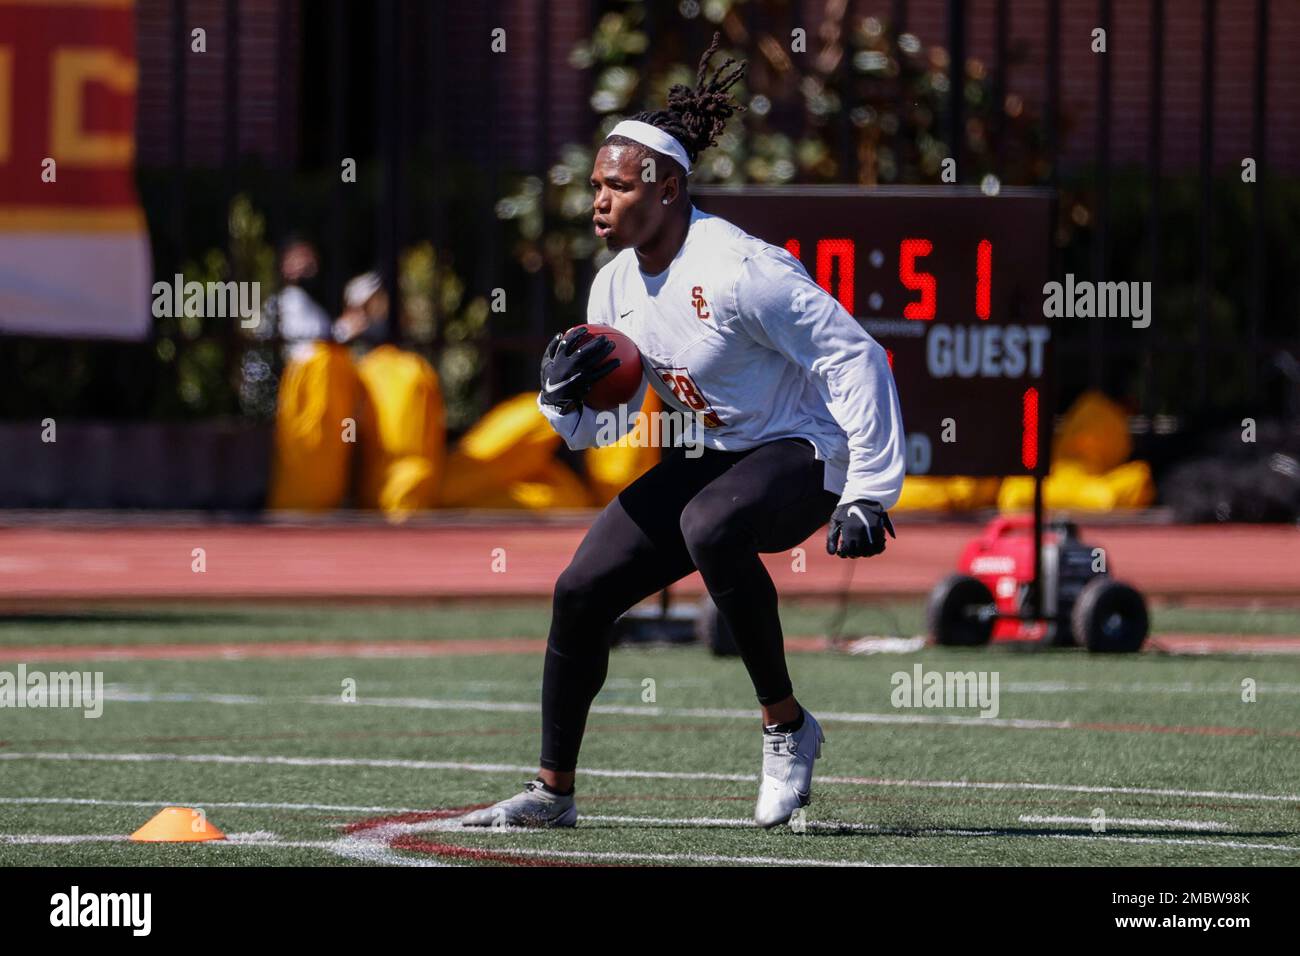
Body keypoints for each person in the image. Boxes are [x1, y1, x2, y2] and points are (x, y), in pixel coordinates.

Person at [462, 34, 906, 830]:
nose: (598, 200)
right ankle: (552, 791)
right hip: (717, 455)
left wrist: (870, 492)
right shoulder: (612, 285)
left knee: (711, 525)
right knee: (581, 589)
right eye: (595, 185)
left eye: (617, 185)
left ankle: (786, 728)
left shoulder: (741, 269)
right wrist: (562, 401)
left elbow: (856, 355)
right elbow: (605, 431)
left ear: (665, 188)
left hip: (806, 450)